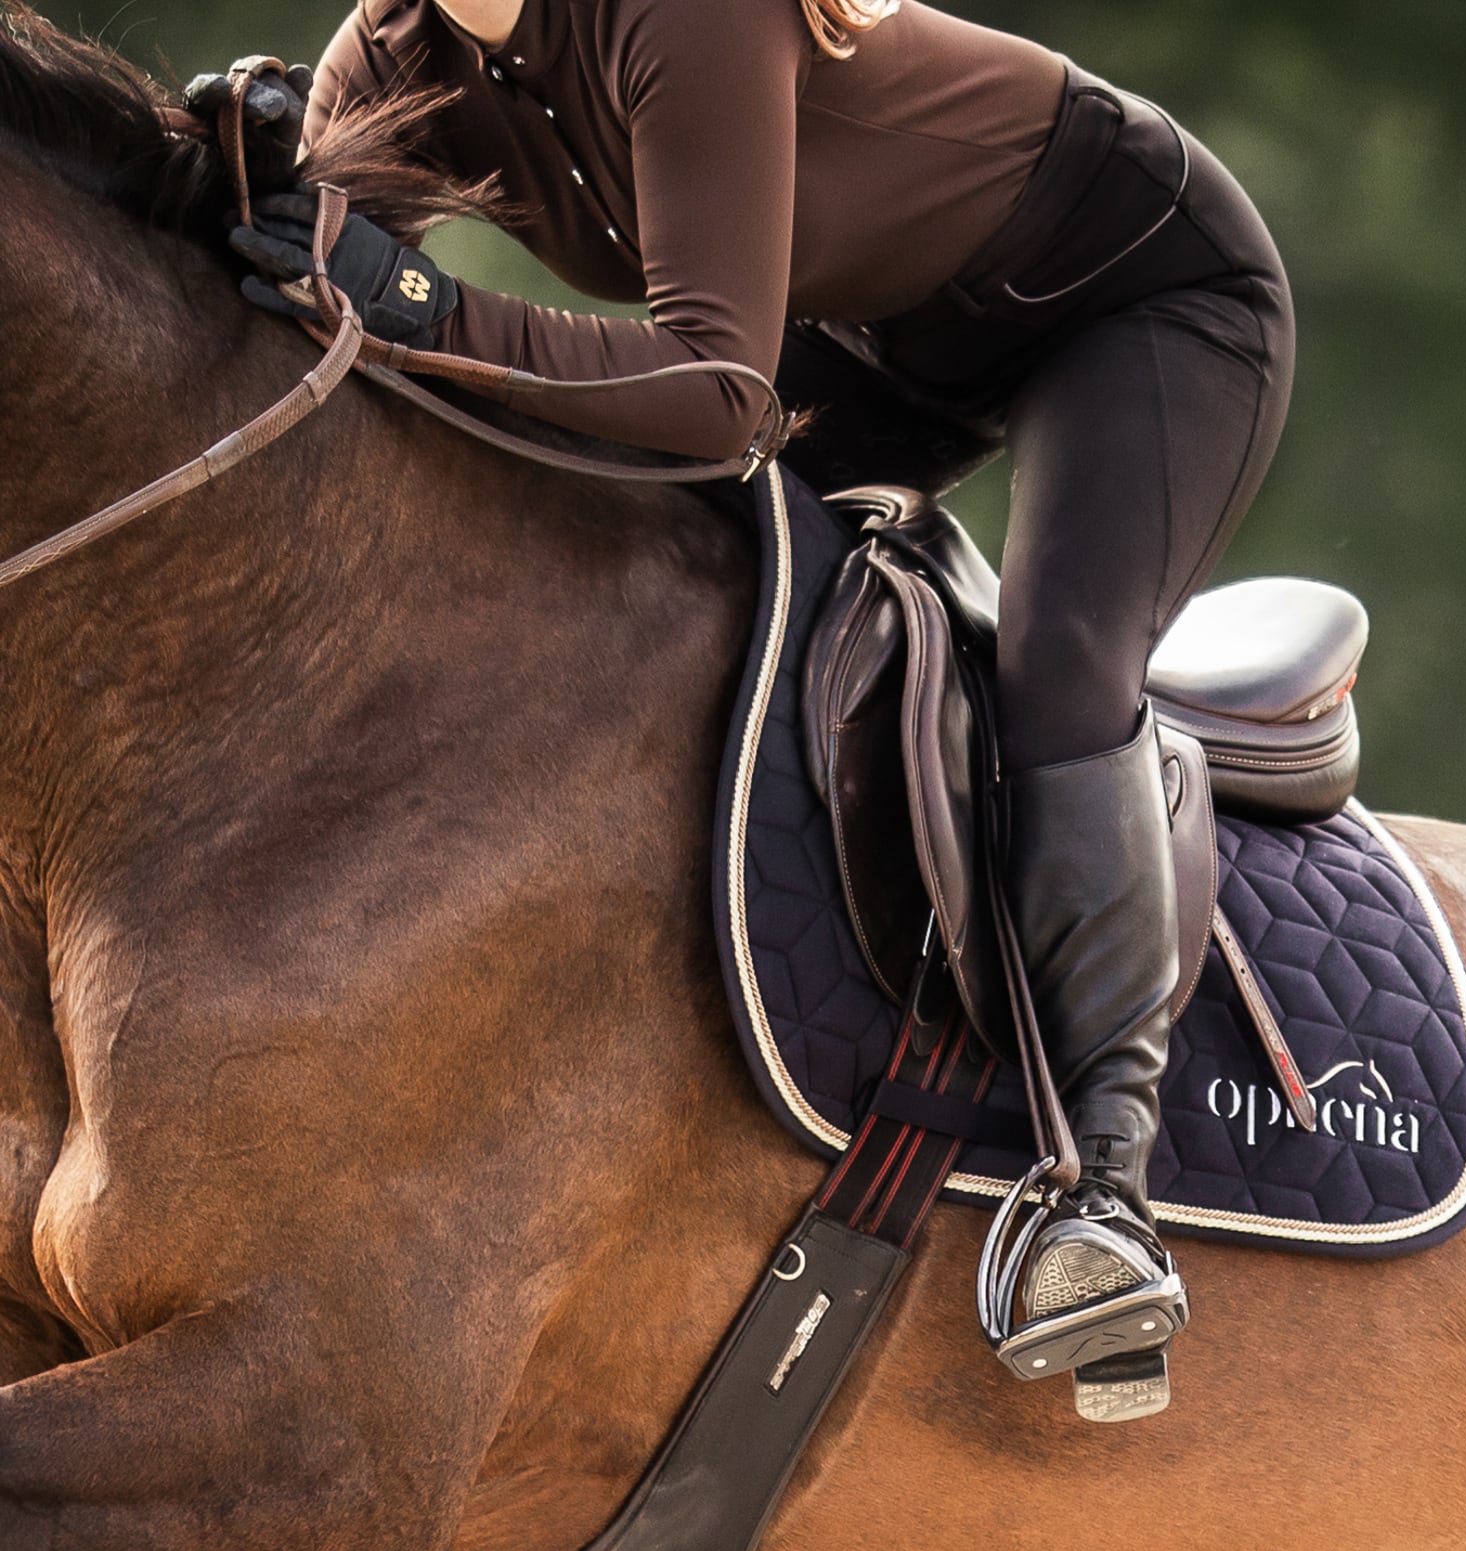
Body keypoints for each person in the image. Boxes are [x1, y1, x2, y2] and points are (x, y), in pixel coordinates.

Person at [196, 0, 1294, 1414]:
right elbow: (317, 316)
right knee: (652, 593)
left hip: (1132, 290)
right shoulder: (390, 63)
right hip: (881, 336)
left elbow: (718, 392)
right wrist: (218, 185)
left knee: (1061, 660)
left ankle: (1105, 1199)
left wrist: (411, 300)